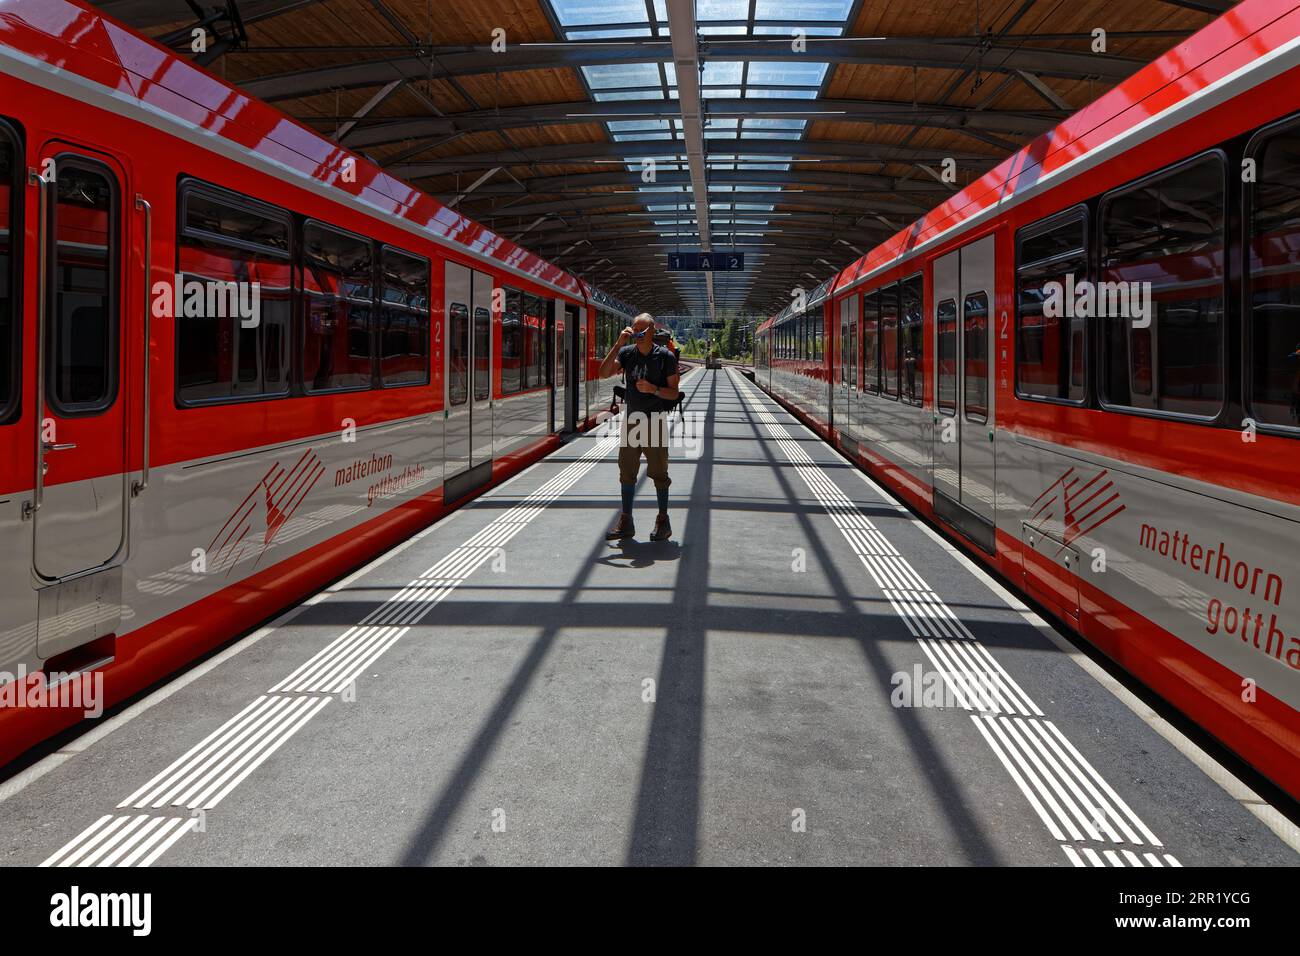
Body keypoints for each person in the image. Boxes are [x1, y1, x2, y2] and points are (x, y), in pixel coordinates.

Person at [597, 313, 681, 541]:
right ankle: (626, 521)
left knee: (659, 474)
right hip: (632, 421)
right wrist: (618, 344)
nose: (638, 337)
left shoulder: (665, 357)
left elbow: (674, 393)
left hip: (654, 420)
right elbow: (603, 373)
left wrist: (653, 389)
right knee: (626, 472)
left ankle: (663, 520)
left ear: (652, 331)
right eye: (634, 333)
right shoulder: (627, 353)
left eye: (642, 333)